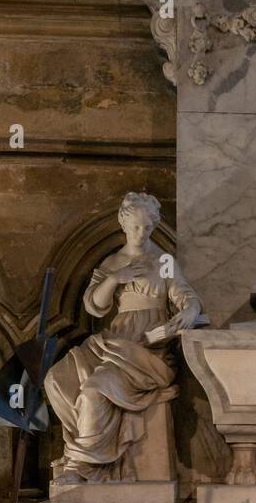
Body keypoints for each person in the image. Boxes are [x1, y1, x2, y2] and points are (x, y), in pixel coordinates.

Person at [45, 192, 204, 483]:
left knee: (94, 391)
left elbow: (185, 295)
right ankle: (87, 444)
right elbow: (94, 304)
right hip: (115, 340)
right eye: (135, 227)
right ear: (123, 223)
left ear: (154, 226)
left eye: (147, 227)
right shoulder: (113, 262)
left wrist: (190, 310)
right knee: (57, 379)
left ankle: (82, 465)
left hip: (148, 348)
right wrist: (115, 278)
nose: (141, 233)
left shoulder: (163, 261)